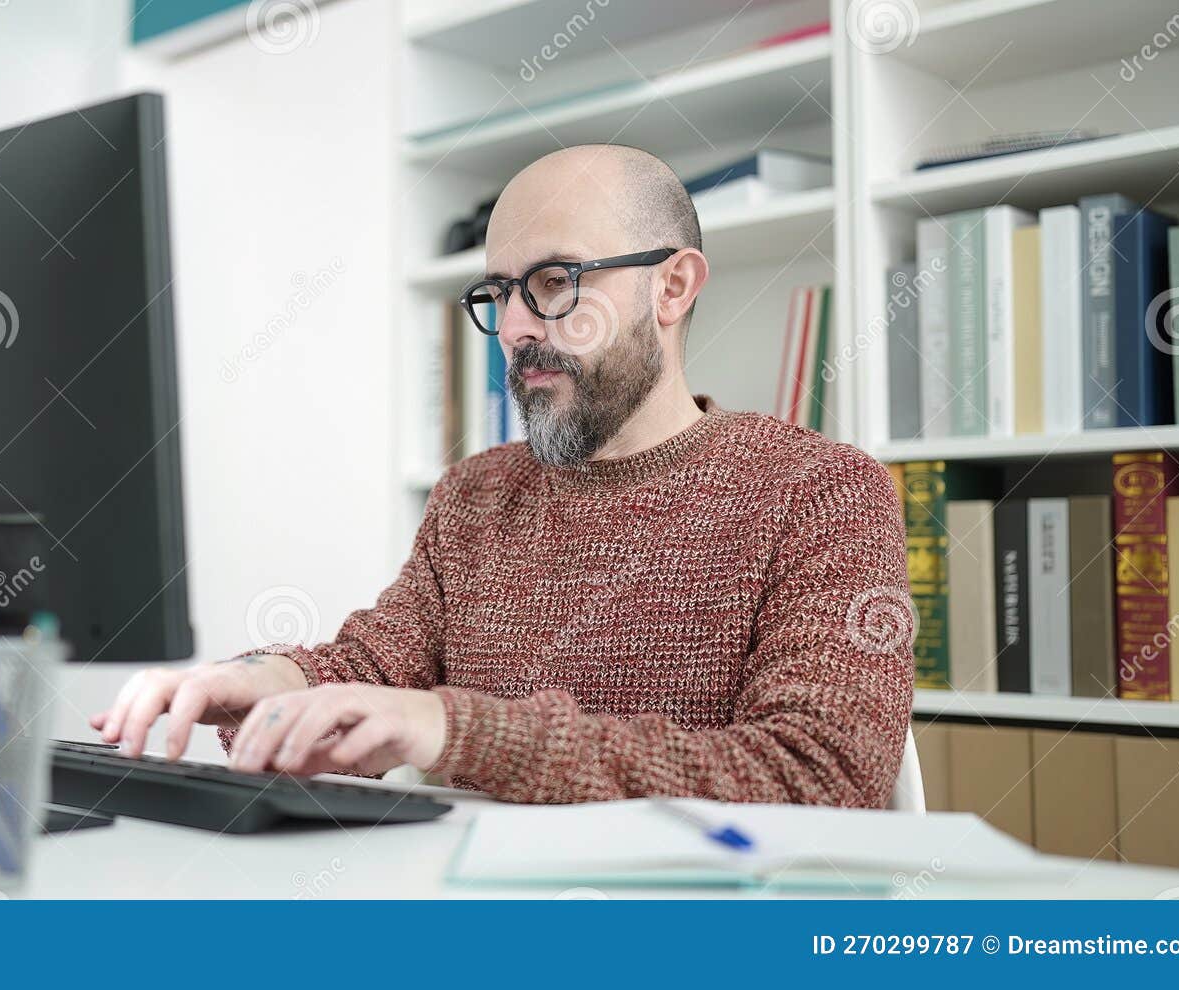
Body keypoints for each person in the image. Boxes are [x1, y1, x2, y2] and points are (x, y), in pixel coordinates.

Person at [91, 144, 913, 806]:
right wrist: (258, 684)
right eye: (498, 292)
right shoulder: (475, 496)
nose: (515, 327)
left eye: (555, 283)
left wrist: (455, 729)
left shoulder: (822, 493)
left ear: (672, 286)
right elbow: (381, 666)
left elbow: (823, 777)